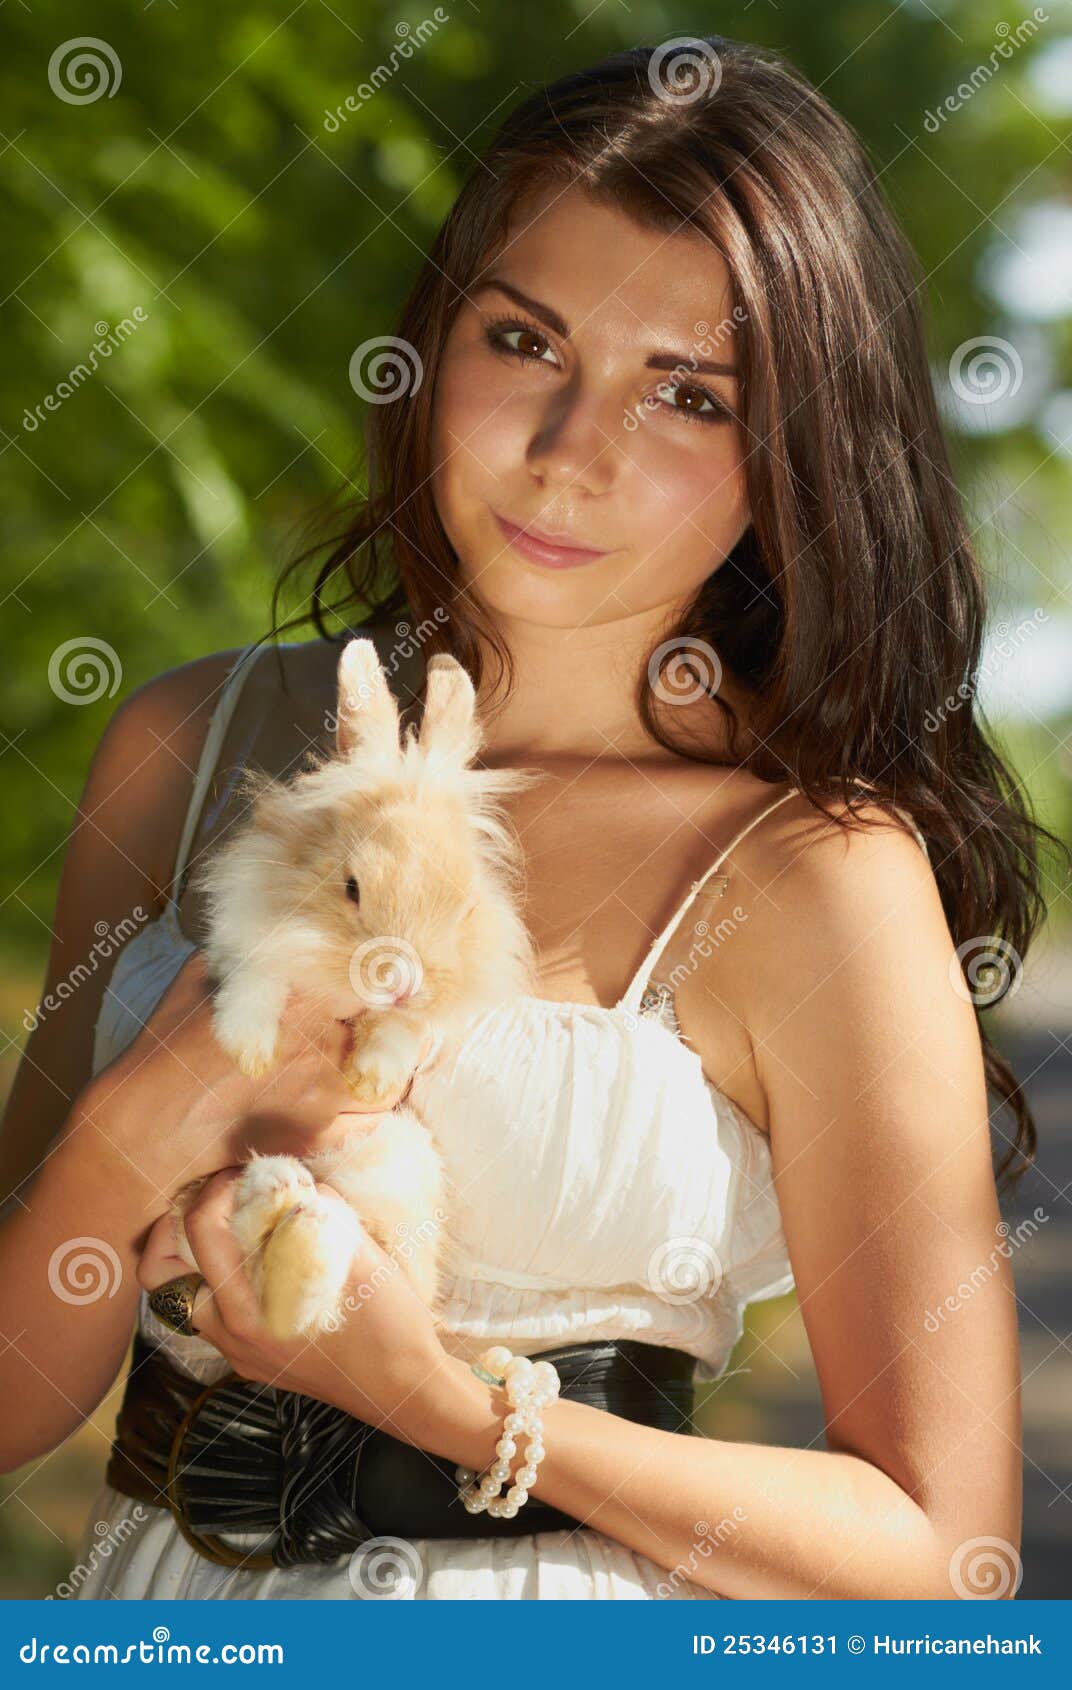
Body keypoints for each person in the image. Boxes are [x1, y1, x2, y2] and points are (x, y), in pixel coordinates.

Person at [1, 36, 1057, 1602]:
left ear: (788, 459)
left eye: (687, 393)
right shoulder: (193, 741)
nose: (573, 456)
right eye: (525, 340)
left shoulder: (822, 874)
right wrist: (146, 1115)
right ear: (435, 347)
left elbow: (940, 1548)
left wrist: (442, 1404)